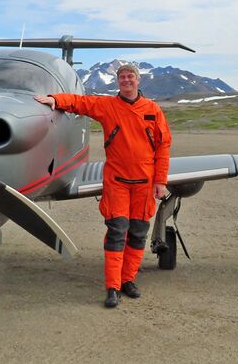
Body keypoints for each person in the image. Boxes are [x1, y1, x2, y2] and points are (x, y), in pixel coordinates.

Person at [35, 63, 171, 308]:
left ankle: (128, 280)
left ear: (138, 80)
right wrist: (56, 99)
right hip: (117, 182)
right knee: (117, 232)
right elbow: (80, 102)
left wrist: (160, 180)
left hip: (144, 183)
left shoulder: (152, 110)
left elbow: (163, 146)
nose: (126, 80)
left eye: (130, 76)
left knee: (138, 232)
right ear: (118, 81)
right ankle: (113, 287)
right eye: (122, 77)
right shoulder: (107, 106)